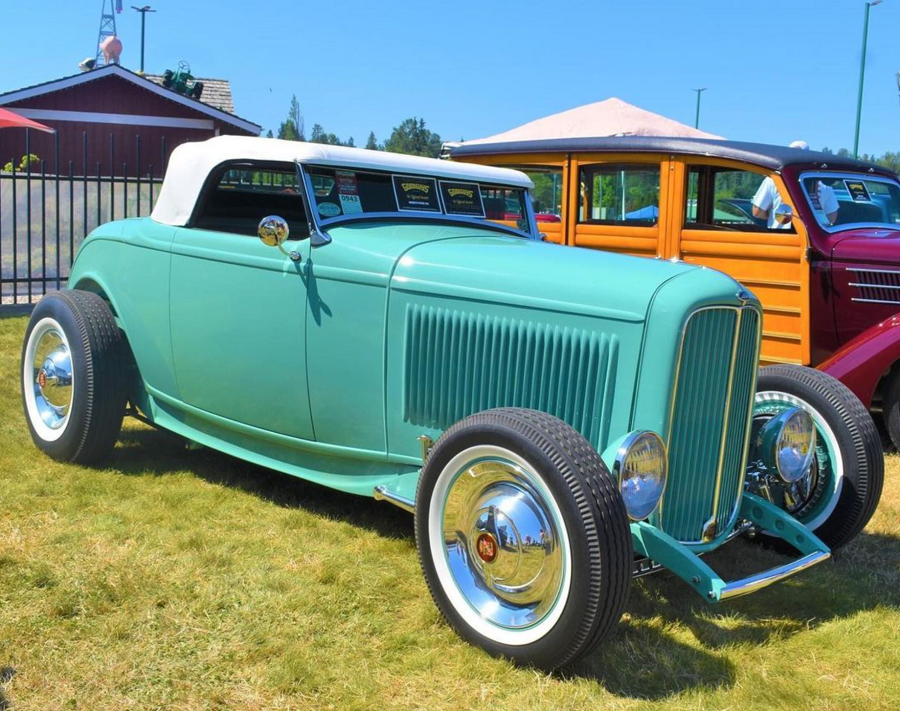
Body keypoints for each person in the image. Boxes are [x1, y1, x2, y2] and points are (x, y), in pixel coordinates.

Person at [752, 140, 839, 228]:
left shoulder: (773, 179)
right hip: (811, 237)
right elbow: (832, 217)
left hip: (781, 236)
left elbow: (757, 212)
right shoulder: (824, 184)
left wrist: (773, 216)